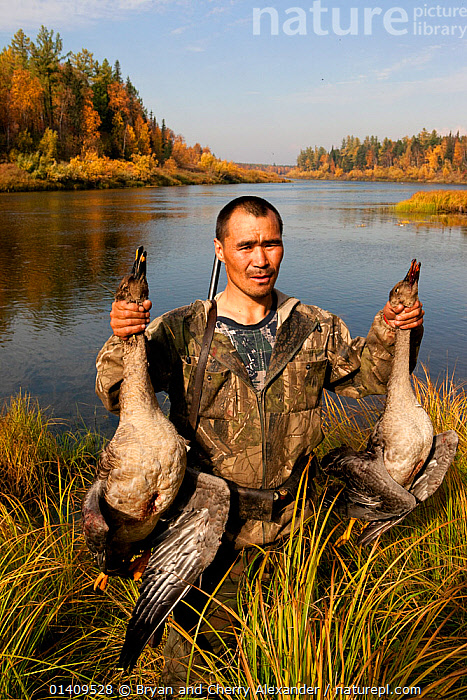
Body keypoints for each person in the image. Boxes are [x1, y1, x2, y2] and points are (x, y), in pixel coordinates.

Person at [95, 195, 424, 681]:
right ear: (220, 249)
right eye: (246, 244)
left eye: (271, 243)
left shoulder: (316, 327)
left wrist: (394, 332)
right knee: (192, 674)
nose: (260, 258)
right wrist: (126, 338)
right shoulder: (183, 329)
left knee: (290, 670)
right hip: (203, 540)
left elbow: (371, 378)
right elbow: (117, 393)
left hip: (296, 538)